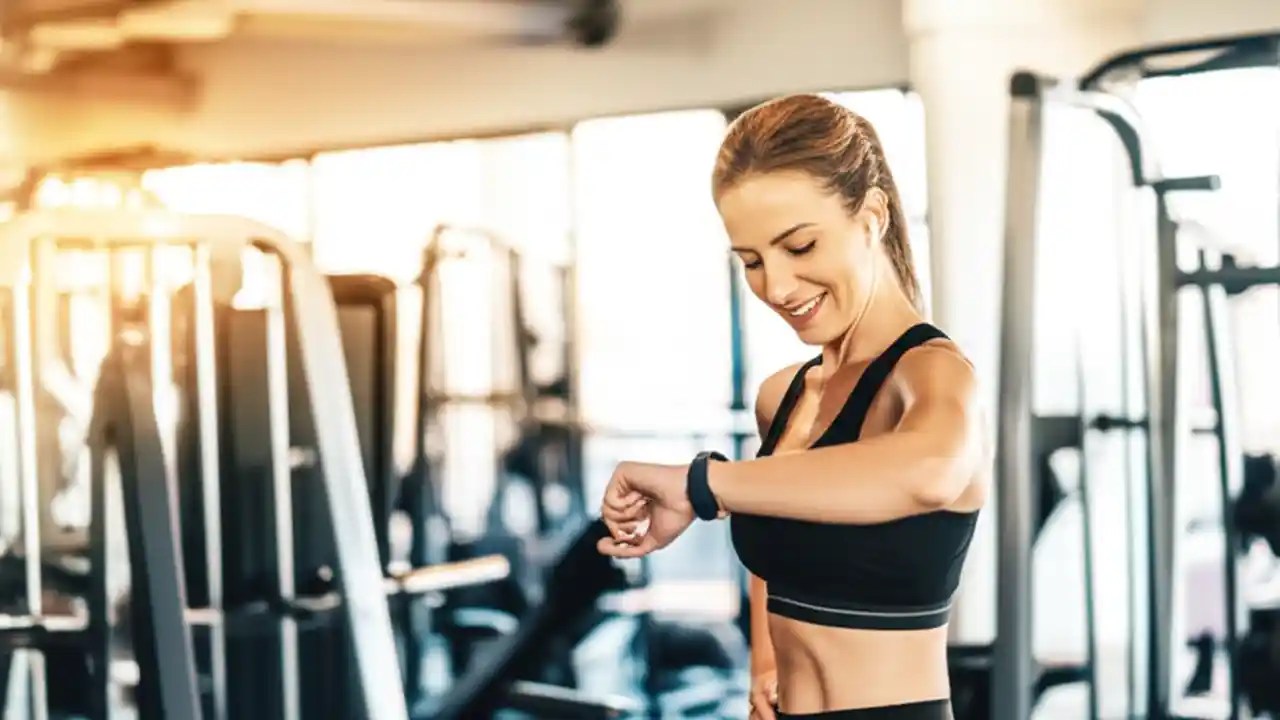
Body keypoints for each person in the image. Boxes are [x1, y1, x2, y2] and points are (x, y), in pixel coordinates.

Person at [596, 93, 991, 720]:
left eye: (800, 247)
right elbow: (780, 510)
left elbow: (928, 471)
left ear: (872, 217)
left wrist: (703, 486)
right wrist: (767, 662)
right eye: (752, 261)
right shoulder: (783, 396)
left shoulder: (931, 372)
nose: (775, 286)